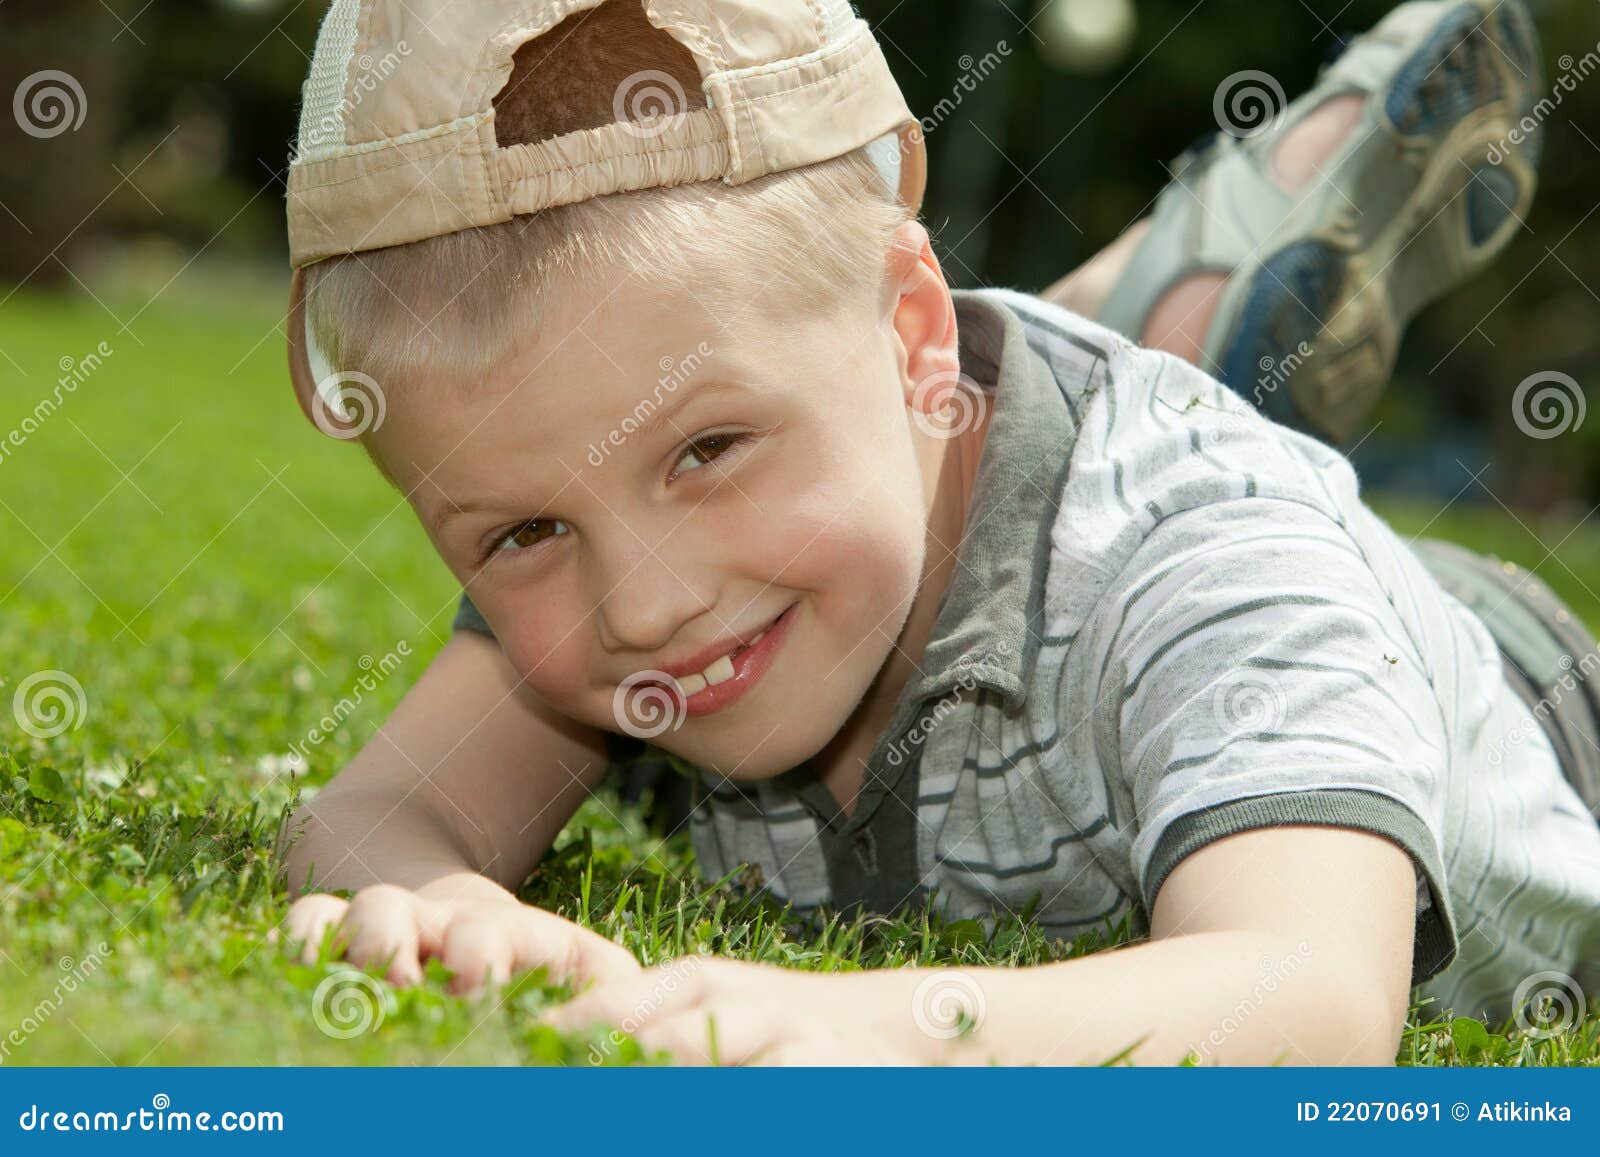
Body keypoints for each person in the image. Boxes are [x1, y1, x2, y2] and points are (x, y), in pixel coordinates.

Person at [276, 0, 1598, 1064]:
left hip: (1507, 689)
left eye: (708, 450)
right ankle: (1145, 316)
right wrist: (447, 907)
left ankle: (1158, 349)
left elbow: (1309, 998)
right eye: (523, 531)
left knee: (1161, 559)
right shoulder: (609, 509)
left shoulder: (1210, 561)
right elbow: (381, 810)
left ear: (913, 323)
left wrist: (894, 1032)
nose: (645, 604)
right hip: (998, 469)